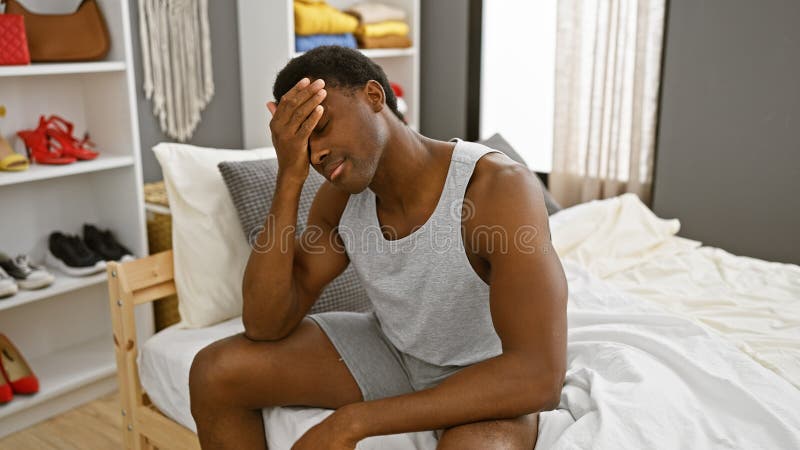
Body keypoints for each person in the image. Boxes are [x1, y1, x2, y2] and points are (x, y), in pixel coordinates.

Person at [189, 45, 567, 450]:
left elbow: (538, 375)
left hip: (487, 371)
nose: (315, 153)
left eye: (321, 126)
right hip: (393, 349)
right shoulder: (338, 200)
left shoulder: (497, 188)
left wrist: (352, 423)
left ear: (373, 96)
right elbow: (265, 324)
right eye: (302, 145)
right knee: (215, 372)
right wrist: (289, 178)